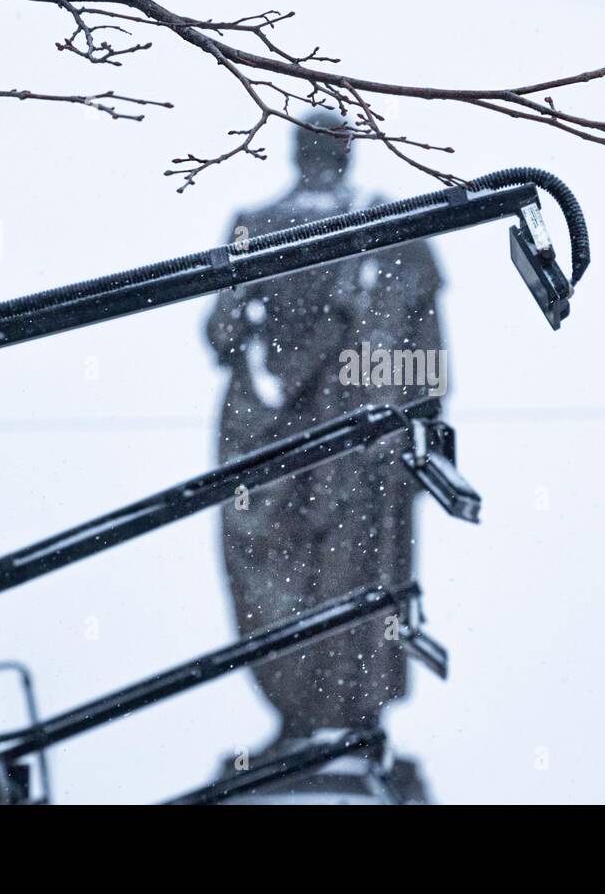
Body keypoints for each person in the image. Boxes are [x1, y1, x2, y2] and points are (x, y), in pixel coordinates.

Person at [205, 110, 445, 798]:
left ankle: (315, 718)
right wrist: (426, 436)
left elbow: (220, 332)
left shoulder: (258, 223)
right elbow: (428, 359)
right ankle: (339, 717)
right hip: (357, 441)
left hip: (274, 446)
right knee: (353, 579)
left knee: (286, 582)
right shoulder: (389, 227)